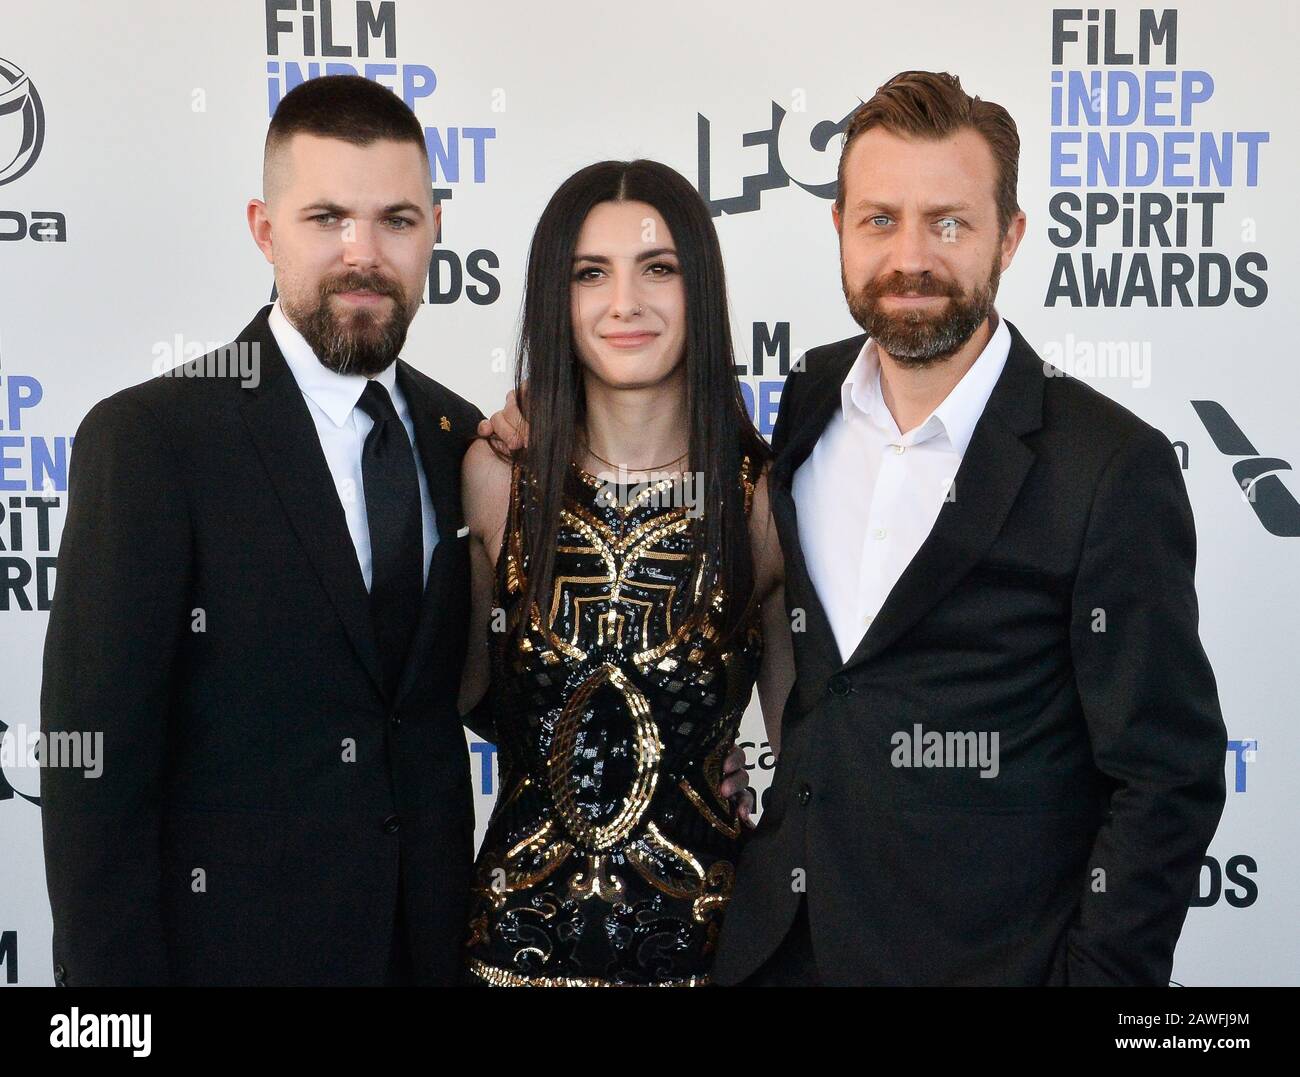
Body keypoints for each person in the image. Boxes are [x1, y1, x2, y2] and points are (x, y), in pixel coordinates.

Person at [483, 72, 1228, 987]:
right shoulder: (803, 412)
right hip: (770, 951)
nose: (910, 256)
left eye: (948, 222)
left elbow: (1166, 779)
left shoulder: (1108, 465)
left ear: (1012, 237)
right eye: (880, 219)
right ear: (838, 227)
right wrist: (542, 409)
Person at [40, 74, 486, 986]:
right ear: (263, 228)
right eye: (327, 218)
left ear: (434, 230)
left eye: (396, 220)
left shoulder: (463, 439)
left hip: (438, 957)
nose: (364, 254)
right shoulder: (155, 438)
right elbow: (95, 779)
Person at [458, 159, 793, 986]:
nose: (625, 304)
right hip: (509, 955)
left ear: (699, 289)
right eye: (590, 273)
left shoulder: (762, 499)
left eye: (659, 269)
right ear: (554, 297)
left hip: (711, 959)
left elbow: (812, 752)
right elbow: (449, 699)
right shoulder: (496, 476)